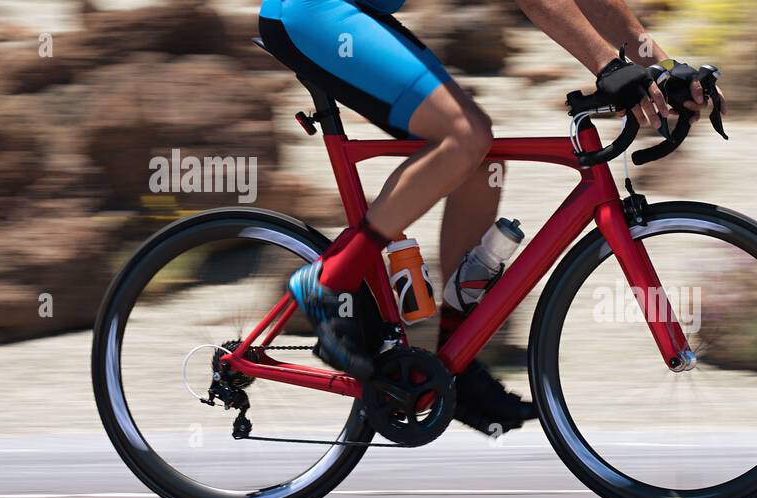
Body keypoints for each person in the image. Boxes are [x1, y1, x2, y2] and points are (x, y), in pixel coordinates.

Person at [257, 0, 722, 435]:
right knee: (464, 135)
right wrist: (608, 67)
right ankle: (328, 282)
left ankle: (453, 359)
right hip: (315, 12)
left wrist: (662, 69)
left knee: (478, 163)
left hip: (349, 13)